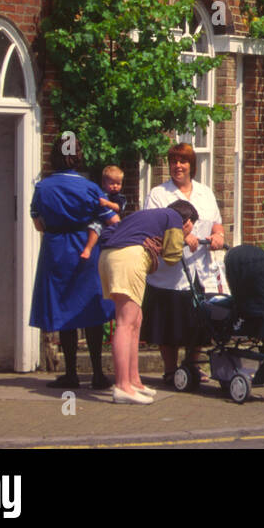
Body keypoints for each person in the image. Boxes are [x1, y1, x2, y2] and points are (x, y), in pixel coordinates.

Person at [29, 145, 117, 390]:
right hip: (86, 251)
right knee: (91, 310)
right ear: (78, 158)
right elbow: (111, 219)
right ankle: (98, 374)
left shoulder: (42, 188)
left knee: (64, 312)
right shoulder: (90, 188)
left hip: (56, 250)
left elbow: (38, 223)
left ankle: (70, 374)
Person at [142, 143, 225, 386]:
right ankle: (170, 371)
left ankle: (191, 367)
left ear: (191, 165)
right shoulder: (159, 194)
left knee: (198, 323)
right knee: (168, 324)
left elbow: (216, 223)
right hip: (170, 272)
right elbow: (152, 229)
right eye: (174, 161)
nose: (178, 166)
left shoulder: (206, 193)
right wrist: (179, 234)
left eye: (183, 161)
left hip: (201, 269)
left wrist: (218, 236)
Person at [97, 201, 196, 404]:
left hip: (108, 257)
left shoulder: (142, 216)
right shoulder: (175, 218)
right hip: (129, 258)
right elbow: (172, 256)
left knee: (136, 320)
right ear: (187, 221)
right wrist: (183, 236)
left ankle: (134, 381)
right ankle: (122, 386)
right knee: (126, 323)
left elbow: (107, 233)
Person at [80, 164, 127, 261]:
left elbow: (118, 208)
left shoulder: (120, 197)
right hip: (99, 219)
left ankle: (88, 249)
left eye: (118, 184)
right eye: (112, 183)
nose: (115, 186)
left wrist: (107, 203)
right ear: (104, 183)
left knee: (95, 227)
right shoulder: (101, 193)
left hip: (109, 223)